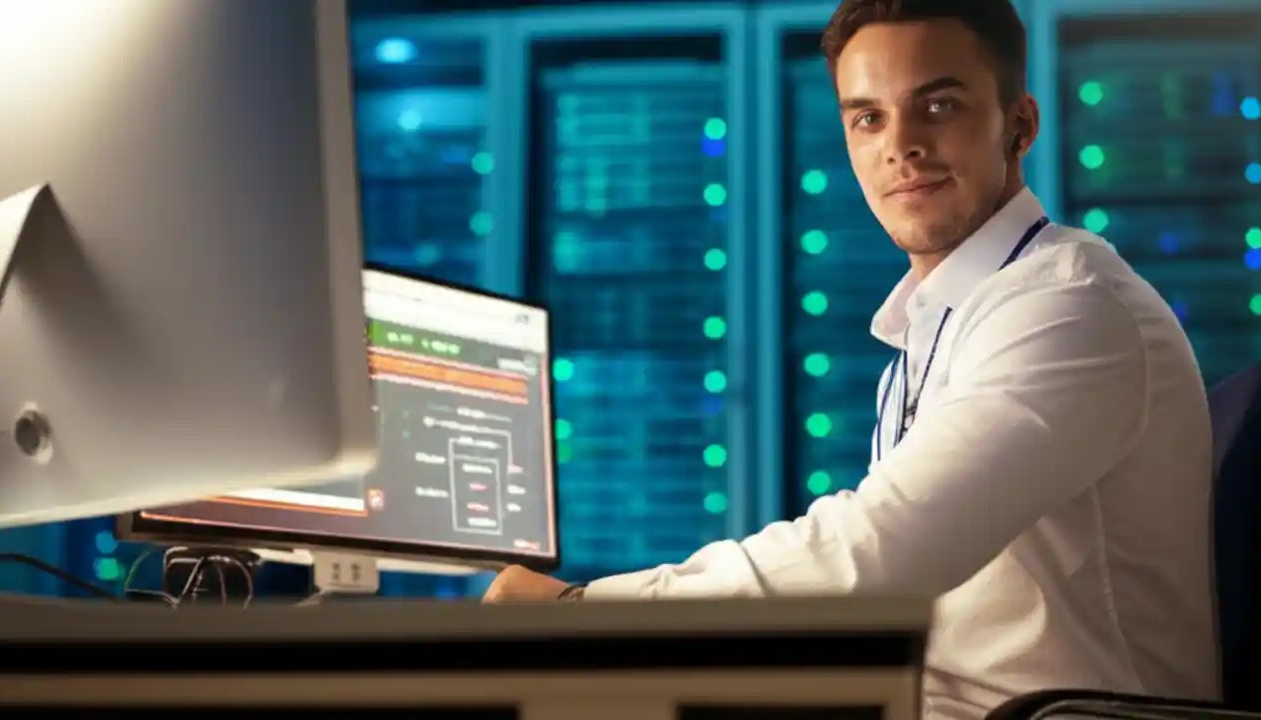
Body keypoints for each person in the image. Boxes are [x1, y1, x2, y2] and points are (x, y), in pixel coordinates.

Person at [484, 0, 1221, 716]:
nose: (901, 144)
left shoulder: (1069, 306)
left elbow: (875, 554)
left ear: (1019, 124)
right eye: (868, 117)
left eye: (938, 106)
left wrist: (588, 609)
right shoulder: (944, 320)